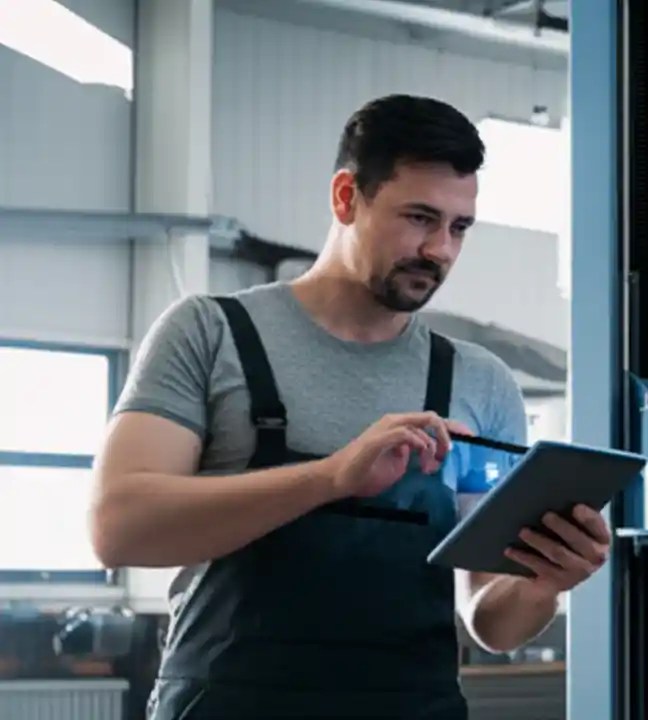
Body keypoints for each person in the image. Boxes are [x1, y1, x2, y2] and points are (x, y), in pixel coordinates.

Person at [89, 94, 610, 719]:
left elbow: (490, 622)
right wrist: (332, 477)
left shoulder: (480, 383)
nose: (440, 249)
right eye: (419, 218)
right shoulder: (209, 334)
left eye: (458, 227)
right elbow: (118, 529)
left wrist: (543, 584)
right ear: (346, 197)